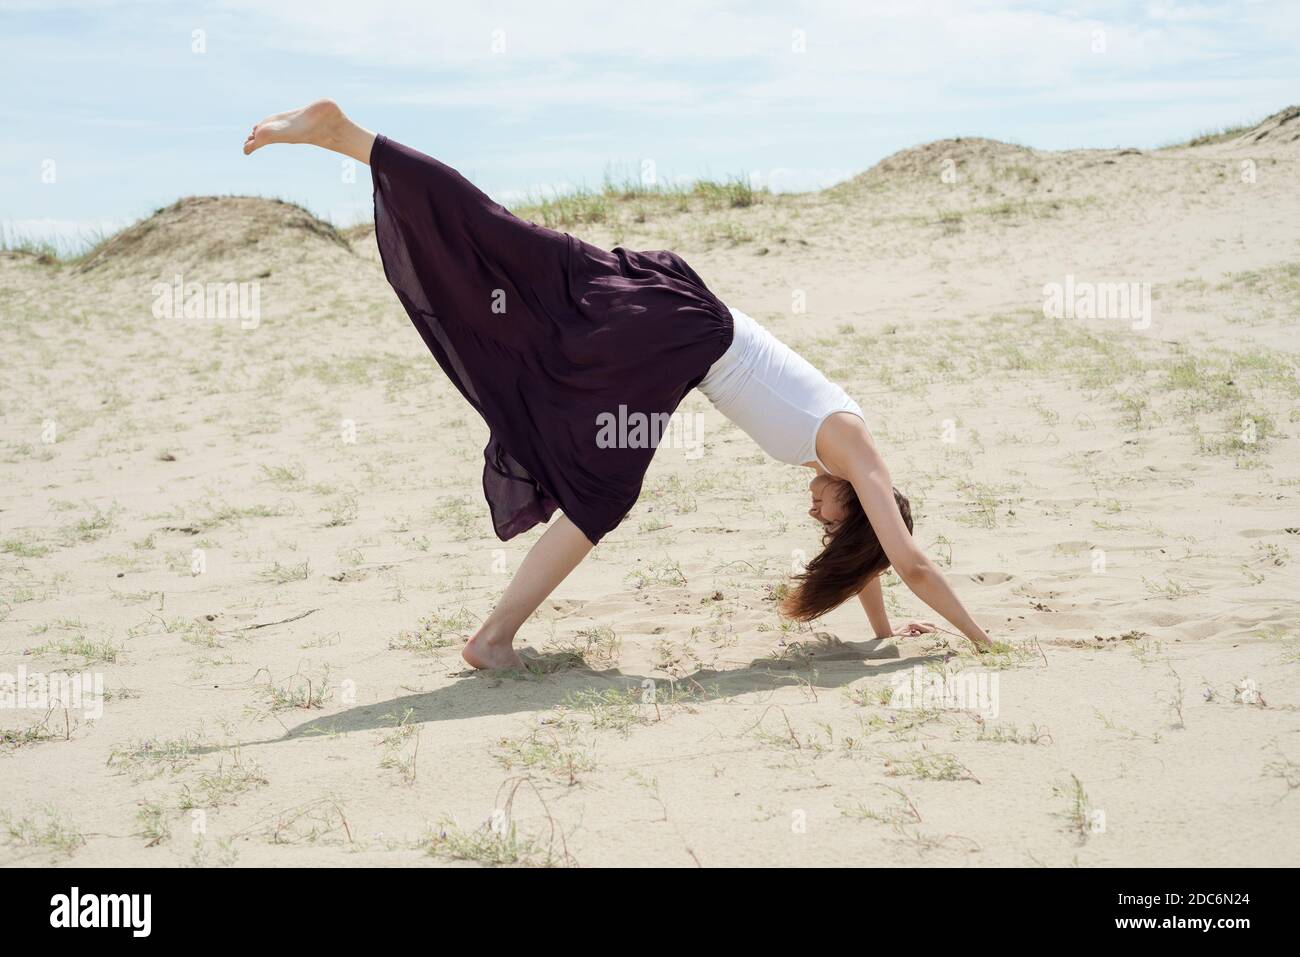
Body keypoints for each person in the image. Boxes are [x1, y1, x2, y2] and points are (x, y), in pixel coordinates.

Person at [243, 100, 994, 669]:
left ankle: (353, 140)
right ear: (860, 505)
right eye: (831, 518)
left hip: (676, 316)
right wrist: (984, 642)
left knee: (517, 245)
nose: (814, 512)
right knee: (601, 493)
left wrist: (886, 633)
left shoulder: (837, 459)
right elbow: (911, 560)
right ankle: (493, 638)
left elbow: (870, 552)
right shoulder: (854, 448)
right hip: (681, 336)